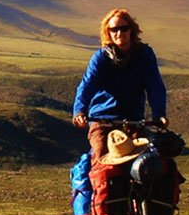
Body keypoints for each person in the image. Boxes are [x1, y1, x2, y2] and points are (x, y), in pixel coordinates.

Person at [72, 8, 169, 162]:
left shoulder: (144, 55)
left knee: (152, 163)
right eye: (114, 29)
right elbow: (87, 85)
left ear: (131, 30)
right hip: (102, 120)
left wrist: (159, 114)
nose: (119, 33)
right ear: (108, 33)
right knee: (101, 159)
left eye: (123, 28)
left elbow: (155, 86)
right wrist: (79, 111)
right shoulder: (101, 58)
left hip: (134, 120)